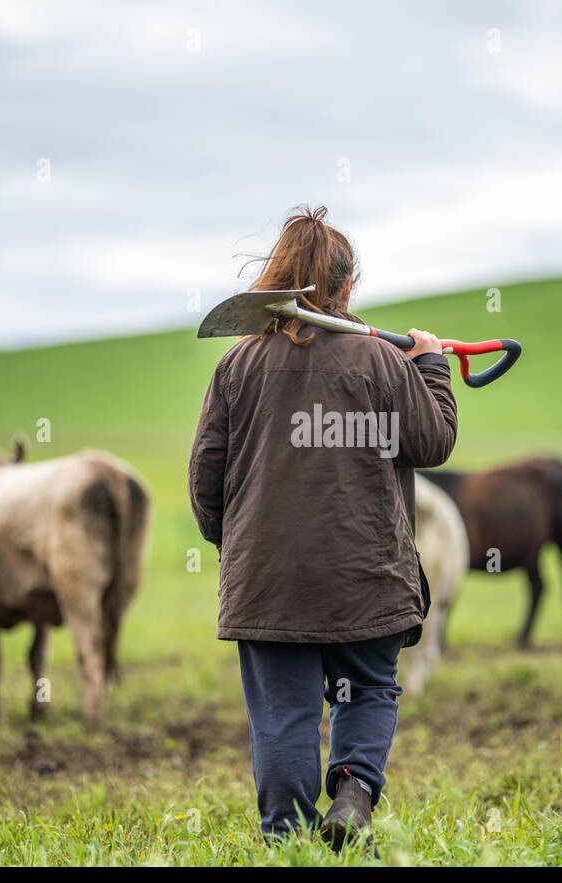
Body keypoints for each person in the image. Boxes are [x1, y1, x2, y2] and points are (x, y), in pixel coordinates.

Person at [187, 205, 458, 849]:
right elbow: (434, 440)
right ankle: (355, 792)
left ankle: (285, 841)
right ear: (344, 287)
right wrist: (431, 365)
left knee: (283, 713)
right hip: (366, 573)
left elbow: (206, 476)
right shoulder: (381, 362)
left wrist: (240, 548)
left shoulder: (236, 367)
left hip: (267, 579)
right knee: (366, 687)